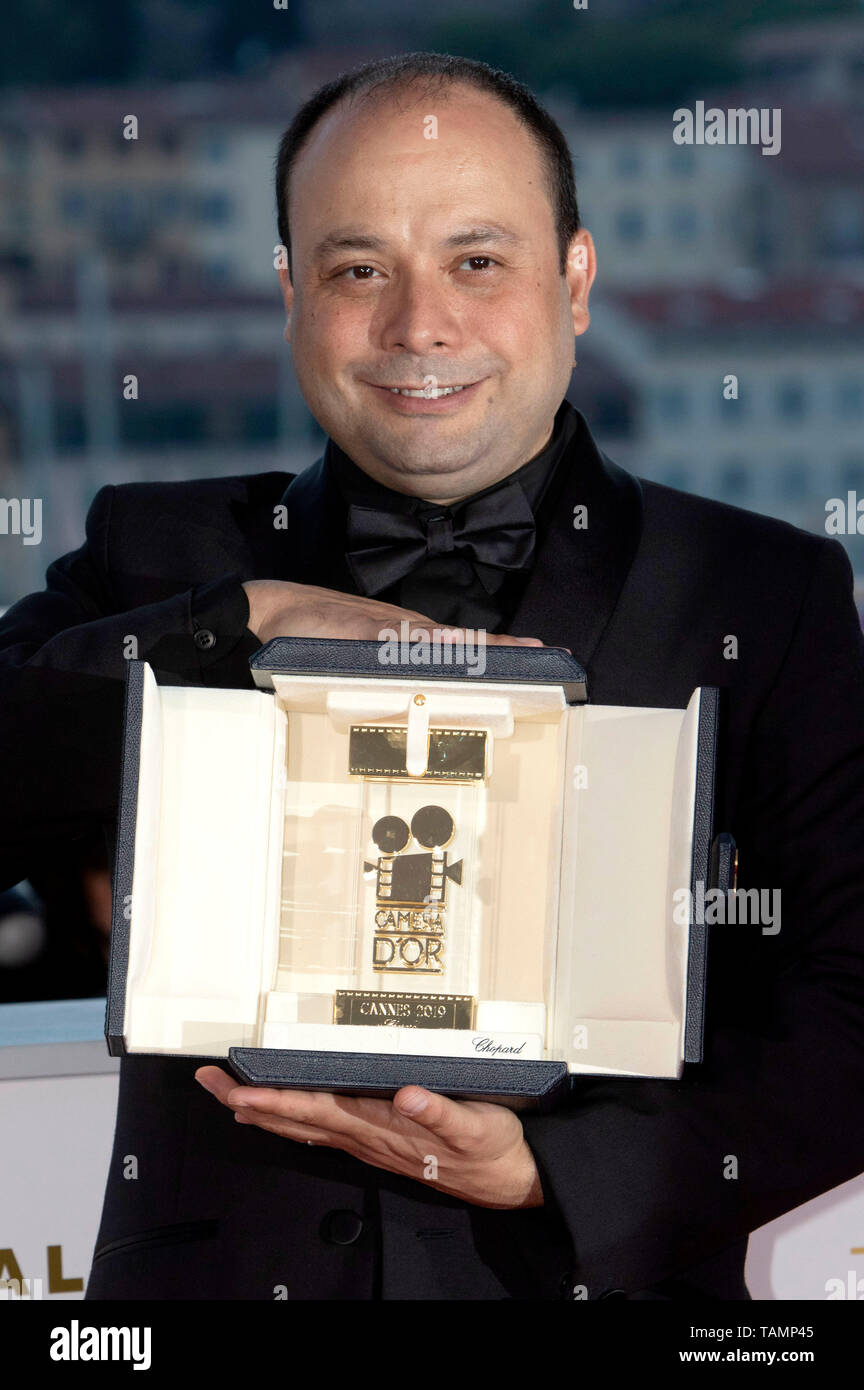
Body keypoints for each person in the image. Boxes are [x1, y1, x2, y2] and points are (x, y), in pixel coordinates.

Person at [1, 52, 862, 1301]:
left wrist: (557, 1170)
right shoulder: (158, 553)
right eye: (359, 270)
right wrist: (232, 622)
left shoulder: (759, 592)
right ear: (291, 292)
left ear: (575, 279)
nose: (419, 328)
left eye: (477, 260)